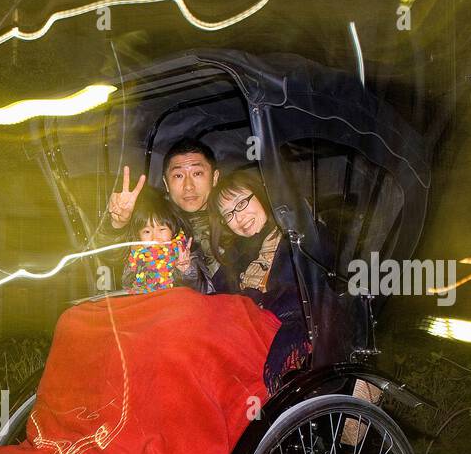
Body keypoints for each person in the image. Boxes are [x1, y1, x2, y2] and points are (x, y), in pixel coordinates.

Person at [209, 169, 312, 392]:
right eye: (228, 215)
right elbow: (213, 300)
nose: (238, 218)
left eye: (241, 203)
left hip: (279, 330)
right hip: (241, 336)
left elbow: (306, 295)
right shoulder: (236, 255)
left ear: (261, 194)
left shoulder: (299, 236)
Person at [98, 138, 224, 289]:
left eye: (197, 173)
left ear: (215, 178)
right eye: (178, 176)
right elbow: (112, 256)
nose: (188, 186)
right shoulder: (153, 217)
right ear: (166, 183)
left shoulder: (234, 217)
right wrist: (118, 224)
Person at [120, 194, 192, 292]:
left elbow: (197, 289)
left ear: (174, 231)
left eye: (162, 229)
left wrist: (184, 271)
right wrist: (135, 267)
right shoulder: (135, 255)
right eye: (147, 232)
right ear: (138, 236)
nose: (155, 238)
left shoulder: (183, 252)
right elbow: (126, 284)